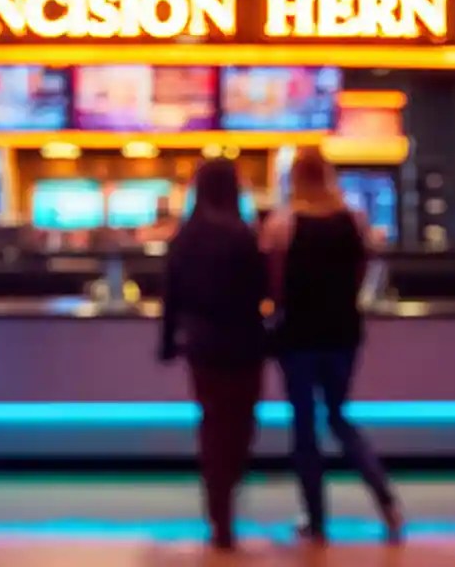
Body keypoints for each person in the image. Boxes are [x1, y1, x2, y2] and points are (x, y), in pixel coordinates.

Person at [260, 146, 403, 546]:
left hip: (298, 338)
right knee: (340, 419)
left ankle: (316, 520)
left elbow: (274, 286)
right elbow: (361, 272)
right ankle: (387, 503)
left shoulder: (283, 223)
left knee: (305, 429)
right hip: (343, 334)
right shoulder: (353, 220)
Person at [159, 158, 268, 552]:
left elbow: (172, 295)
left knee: (212, 425)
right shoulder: (244, 236)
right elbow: (262, 292)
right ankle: (228, 497)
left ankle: (218, 511)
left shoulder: (186, 237)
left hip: (202, 346)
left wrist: (168, 342)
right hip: (244, 344)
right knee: (239, 427)